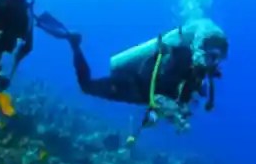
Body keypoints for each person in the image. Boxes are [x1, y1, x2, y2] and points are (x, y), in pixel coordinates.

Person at [36, 13, 227, 132]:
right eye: (212, 55)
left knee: (87, 87)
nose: (214, 62)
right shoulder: (183, 55)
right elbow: (163, 86)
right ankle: (74, 43)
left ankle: (73, 42)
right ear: (201, 49)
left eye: (218, 58)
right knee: (86, 86)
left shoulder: (199, 76)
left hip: (140, 94)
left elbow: (178, 99)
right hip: (133, 83)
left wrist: (178, 114)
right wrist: (172, 111)